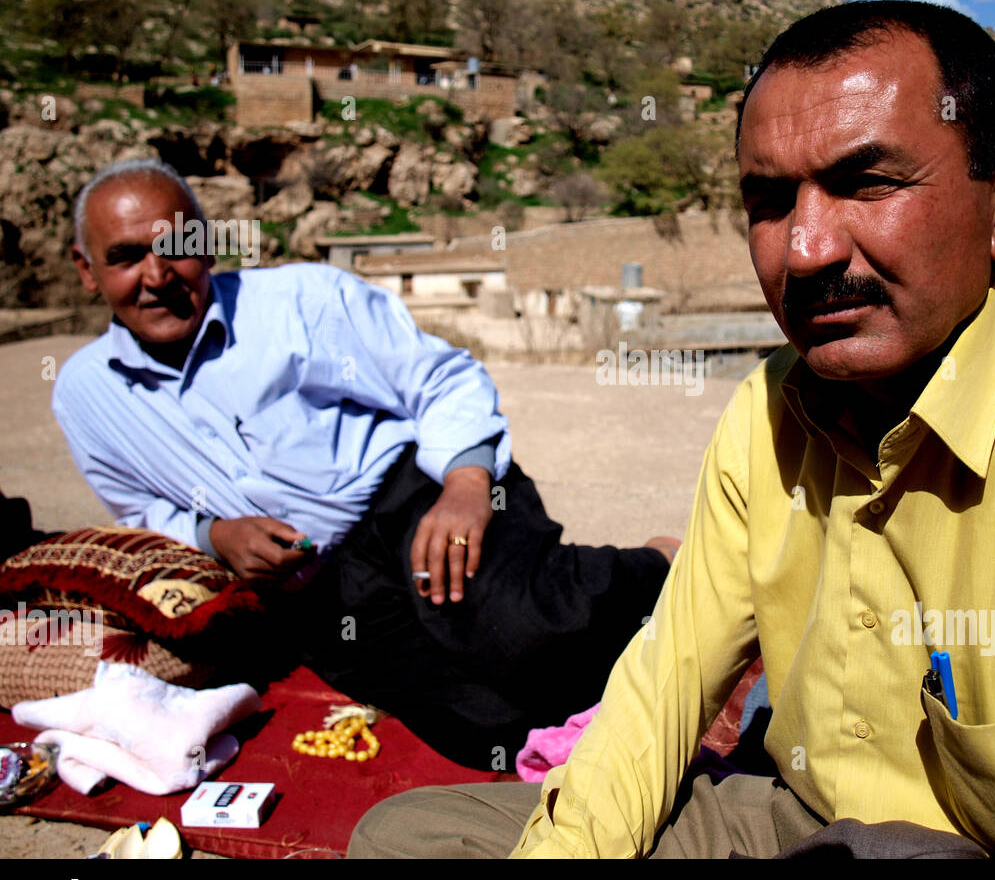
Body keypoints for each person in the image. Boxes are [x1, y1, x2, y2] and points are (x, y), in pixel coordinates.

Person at [349, 0, 995, 857]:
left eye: (868, 182)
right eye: (769, 201)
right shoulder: (769, 411)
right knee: (408, 836)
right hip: (798, 820)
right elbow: (664, 689)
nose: (805, 250)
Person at [53, 158, 676, 767]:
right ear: (86, 271)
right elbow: (140, 511)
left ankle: (657, 565)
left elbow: (440, 378)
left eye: (176, 247)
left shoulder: (302, 298)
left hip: (415, 494)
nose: (157, 275)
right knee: (485, 725)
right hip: (313, 588)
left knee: (524, 630)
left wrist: (464, 486)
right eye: (126, 257)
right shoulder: (85, 396)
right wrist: (214, 534)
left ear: (209, 245)